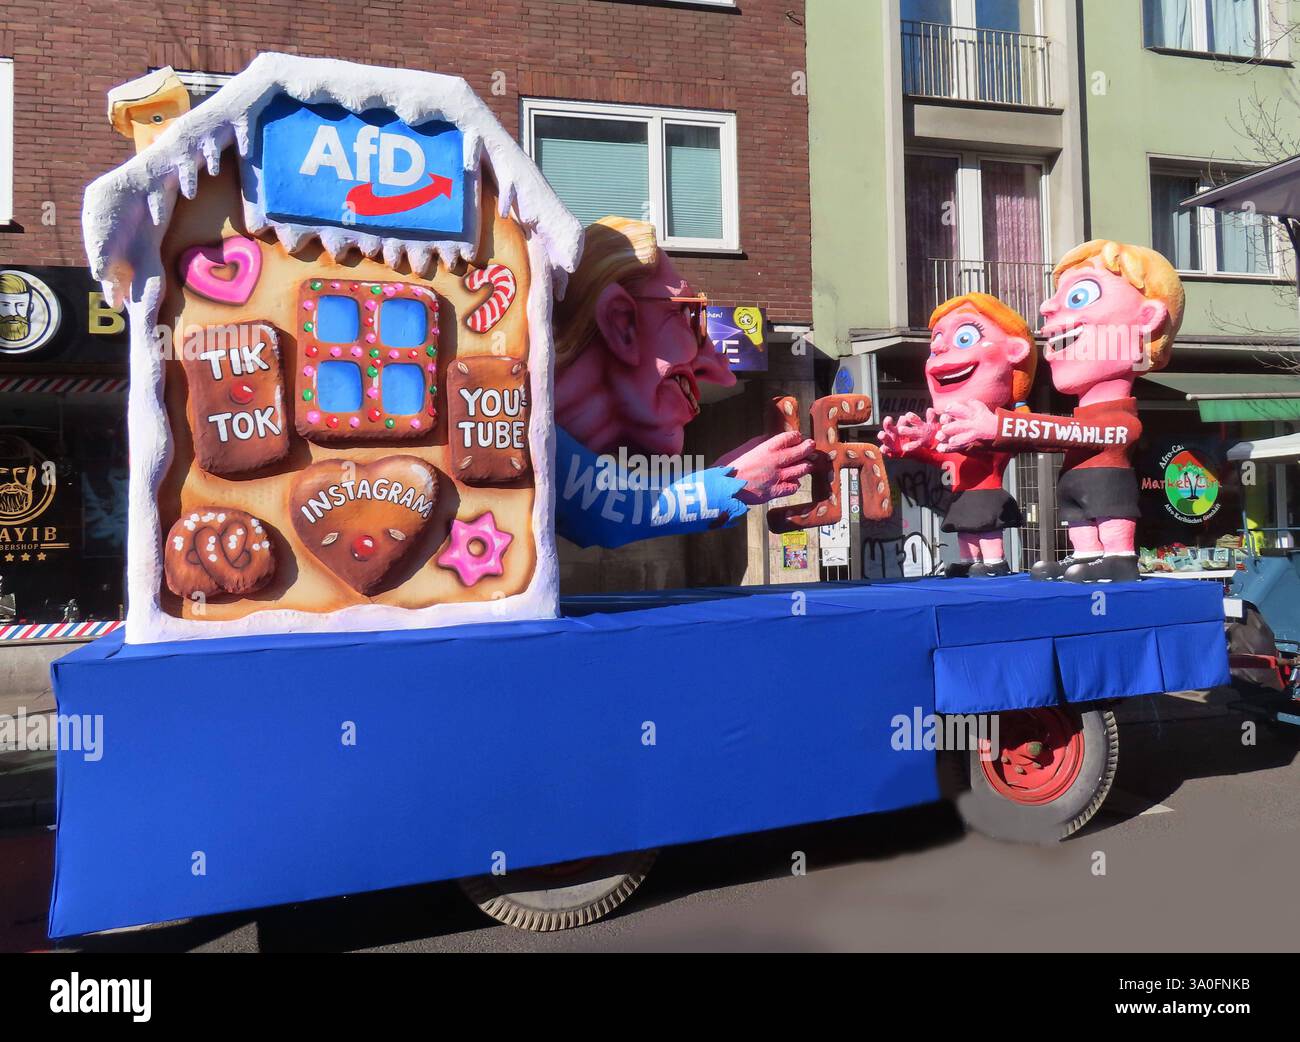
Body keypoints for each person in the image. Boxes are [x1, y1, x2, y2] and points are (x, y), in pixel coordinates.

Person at [552, 217, 815, 548]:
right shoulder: (511, 418)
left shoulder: (520, 421)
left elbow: (601, 499)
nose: (722, 373)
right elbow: (607, 512)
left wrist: (724, 474)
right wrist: (733, 481)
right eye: (688, 315)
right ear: (622, 322)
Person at [935, 240, 1184, 583]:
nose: (1047, 306)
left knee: (1108, 509)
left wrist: (1000, 425)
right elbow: (1060, 433)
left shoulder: (1121, 422)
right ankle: (1087, 555)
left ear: (1145, 320)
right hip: (1076, 481)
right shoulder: (1081, 420)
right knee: (1079, 516)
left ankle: (1117, 556)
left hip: (1107, 483)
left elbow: (1069, 433)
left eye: (1079, 296)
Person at [878, 292, 1036, 577]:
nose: (939, 349)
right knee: (965, 528)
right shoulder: (951, 430)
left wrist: (978, 431)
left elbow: (1000, 443)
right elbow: (941, 456)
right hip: (962, 495)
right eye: (936, 340)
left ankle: (993, 562)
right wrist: (911, 447)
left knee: (987, 527)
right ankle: (968, 560)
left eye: (964, 337)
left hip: (986, 494)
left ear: (1014, 351)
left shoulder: (1000, 426)